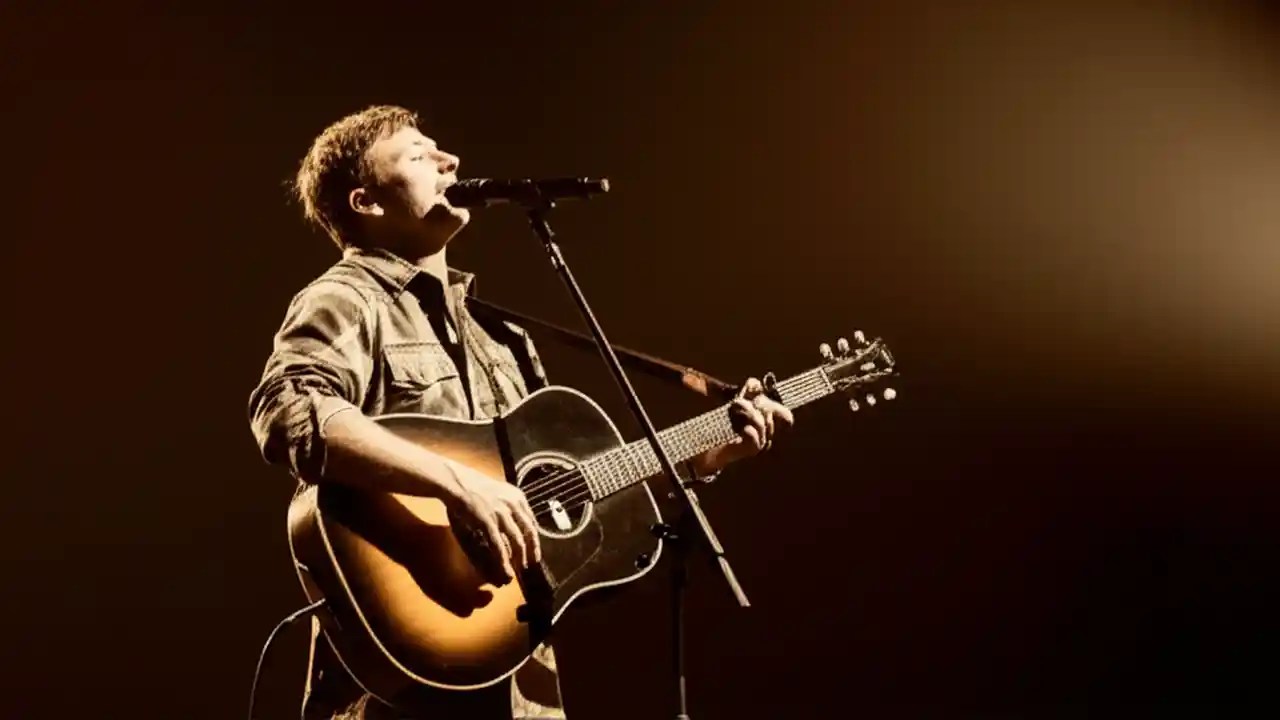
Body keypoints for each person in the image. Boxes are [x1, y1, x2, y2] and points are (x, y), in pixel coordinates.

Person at [247, 104, 795, 720]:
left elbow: (565, 507)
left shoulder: (501, 336)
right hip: (396, 683)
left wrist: (701, 458)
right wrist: (457, 486)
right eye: (418, 154)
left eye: (442, 150)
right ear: (367, 202)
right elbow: (289, 409)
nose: (450, 161)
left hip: (523, 681)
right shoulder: (347, 298)